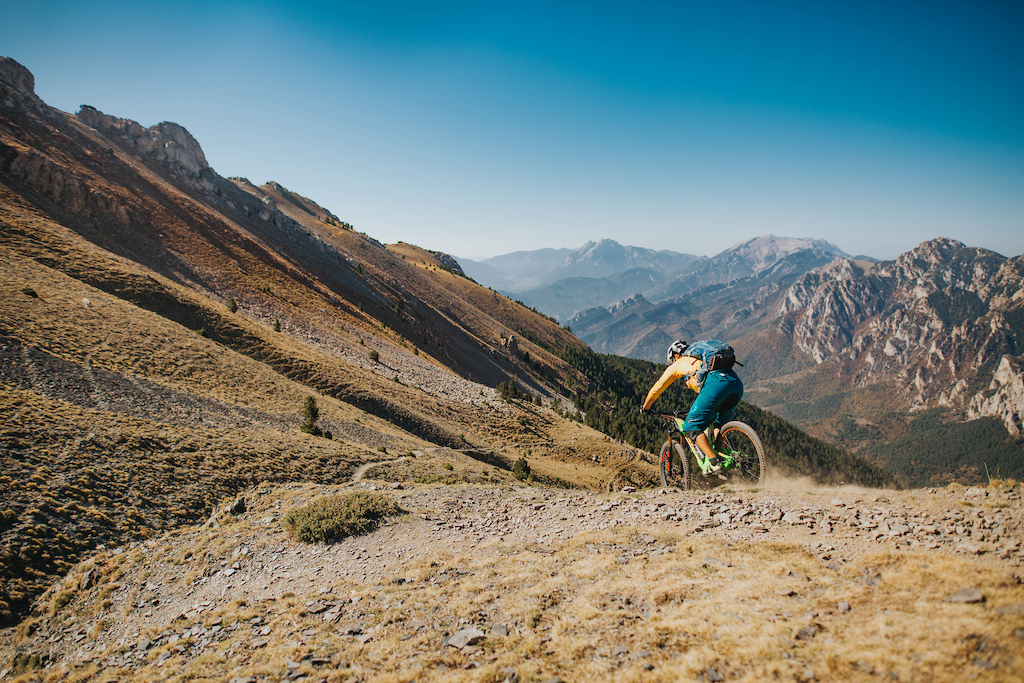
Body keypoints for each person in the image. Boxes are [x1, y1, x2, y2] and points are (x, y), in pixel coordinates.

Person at [640, 339, 743, 473]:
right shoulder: (704, 361)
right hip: (735, 383)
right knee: (719, 425)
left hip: (715, 386)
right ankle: (722, 457)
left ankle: (714, 463)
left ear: (676, 356)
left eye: (672, 359)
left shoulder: (678, 364)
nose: (673, 362)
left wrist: (646, 408)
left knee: (691, 427)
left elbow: (656, 389)